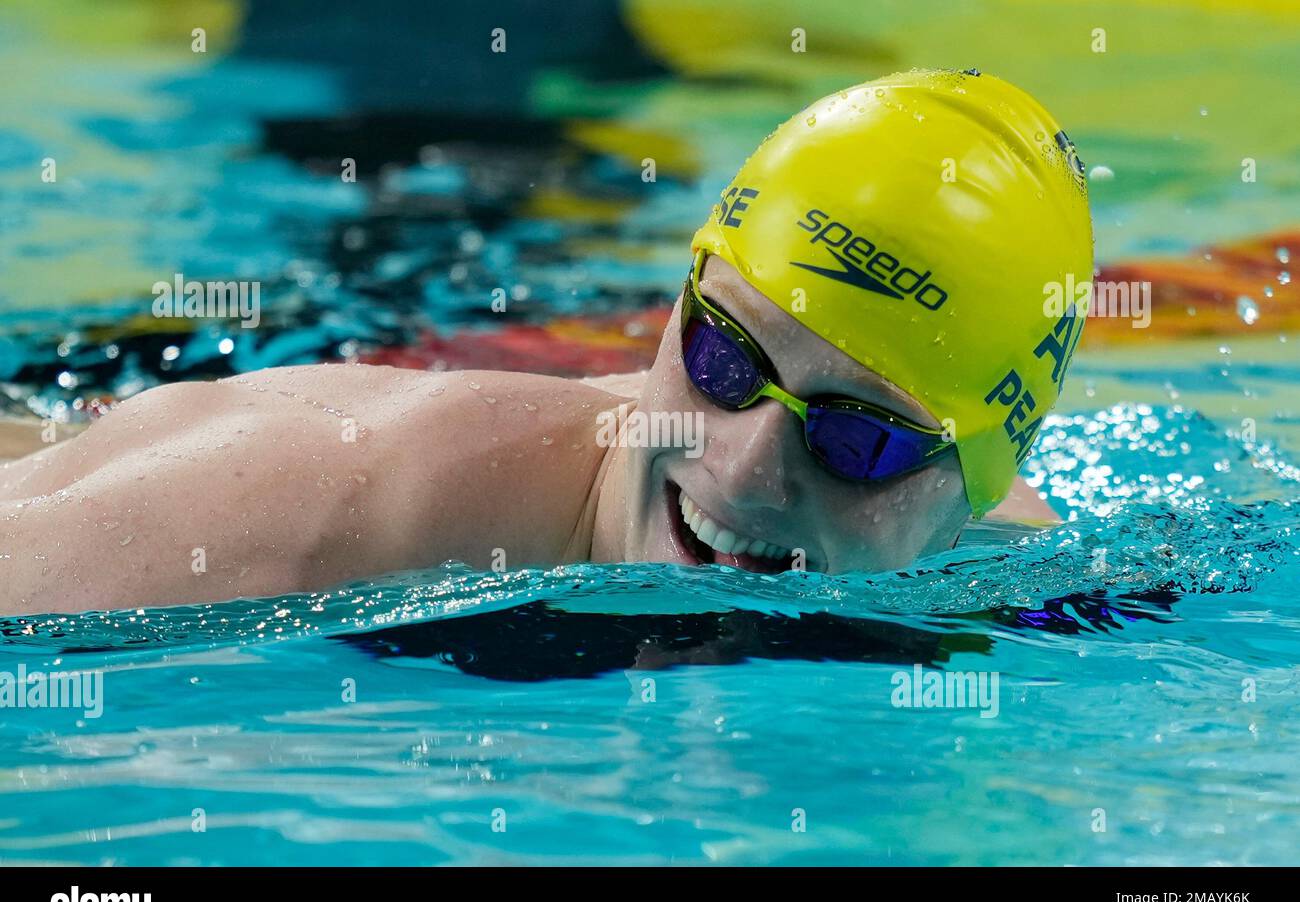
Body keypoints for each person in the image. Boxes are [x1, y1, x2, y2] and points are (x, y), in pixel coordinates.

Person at [0, 69, 1092, 614]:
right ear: (681, 303)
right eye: (722, 359)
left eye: (857, 439)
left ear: (977, 482)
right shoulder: (308, 508)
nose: (746, 465)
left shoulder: (1021, 569)